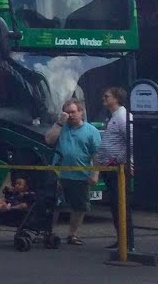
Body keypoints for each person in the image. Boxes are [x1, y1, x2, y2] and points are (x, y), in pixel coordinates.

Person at [44, 97, 101, 245]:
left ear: (81, 112)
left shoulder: (91, 131)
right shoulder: (61, 127)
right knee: (54, 205)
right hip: (59, 173)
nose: (70, 115)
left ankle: (72, 234)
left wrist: (95, 174)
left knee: (79, 206)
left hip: (80, 174)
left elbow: (96, 154)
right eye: (67, 112)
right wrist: (59, 123)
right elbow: (49, 140)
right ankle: (49, 232)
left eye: (73, 112)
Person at [94, 86, 136, 250]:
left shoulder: (123, 117)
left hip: (119, 169)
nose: (103, 98)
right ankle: (122, 240)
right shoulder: (114, 117)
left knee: (121, 205)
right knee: (115, 206)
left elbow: (132, 140)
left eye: (107, 96)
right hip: (111, 169)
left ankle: (128, 244)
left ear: (116, 99)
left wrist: (119, 160)